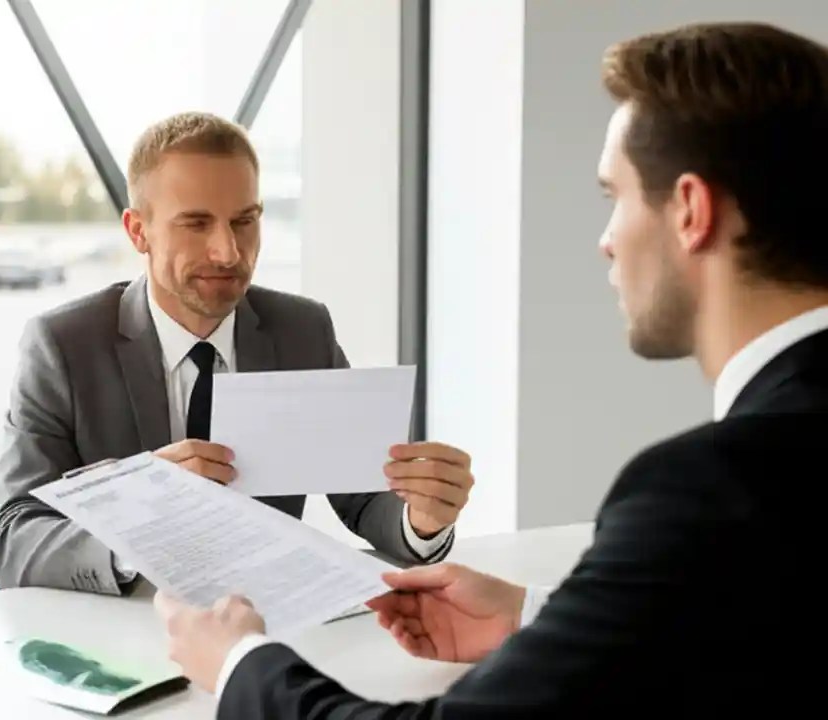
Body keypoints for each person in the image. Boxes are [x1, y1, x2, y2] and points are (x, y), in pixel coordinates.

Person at [154, 21, 828, 717]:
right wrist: (538, 618)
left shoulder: (705, 492)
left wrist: (238, 662)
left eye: (613, 197)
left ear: (690, 211)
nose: (604, 241)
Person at [0, 111, 475, 594]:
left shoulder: (303, 331)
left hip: (268, 626)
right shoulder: (63, 346)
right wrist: (139, 527)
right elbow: (12, 537)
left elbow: (365, 496)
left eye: (245, 221)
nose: (228, 252)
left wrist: (422, 519)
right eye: (196, 224)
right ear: (138, 231)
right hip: (128, 634)